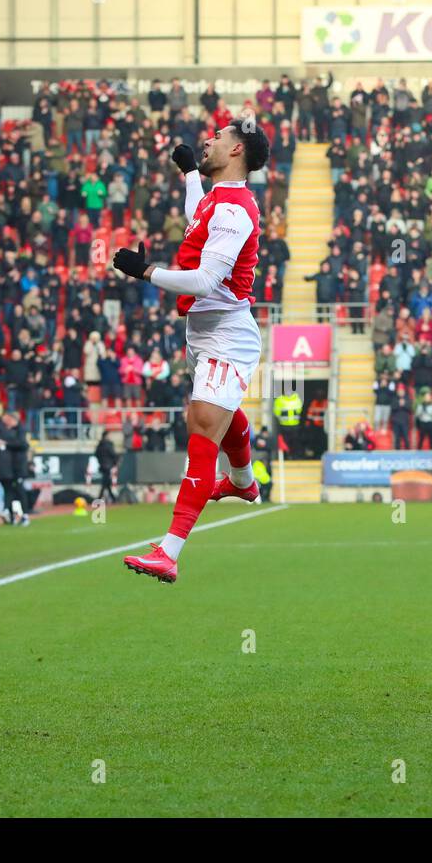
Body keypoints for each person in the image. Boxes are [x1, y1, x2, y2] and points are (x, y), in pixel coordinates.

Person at [111, 123, 271, 582]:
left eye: (217, 136)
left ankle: (170, 550)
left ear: (236, 148)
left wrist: (147, 272)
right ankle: (243, 484)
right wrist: (189, 174)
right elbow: (197, 219)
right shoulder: (218, 201)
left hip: (225, 333)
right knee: (218, 415)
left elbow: (203, 279)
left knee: (201, 429)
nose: (208, 140)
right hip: (202, 332)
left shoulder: (236, 210)